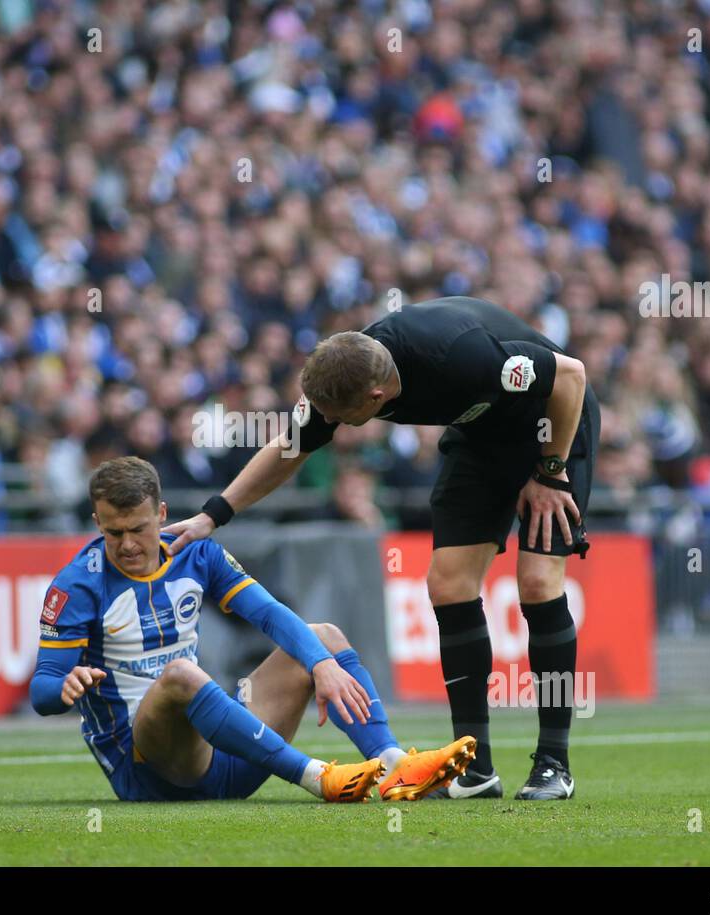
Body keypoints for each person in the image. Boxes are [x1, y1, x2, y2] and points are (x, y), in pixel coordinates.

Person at [165, 296, 600, 800]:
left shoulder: (461, 357)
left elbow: (570, 376)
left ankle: (554, 764)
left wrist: (549, 471)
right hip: (482, 438)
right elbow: (290, 448)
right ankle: (474, 767)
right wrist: (212, 514)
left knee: (538, 584)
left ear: (375, 398)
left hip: (554, 428)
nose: (333, 427)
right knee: (448, 584)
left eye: (340, 419)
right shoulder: (346, 371)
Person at [29, 456, 474, 803]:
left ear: (161, 513)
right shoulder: (76, 584)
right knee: (181, 675)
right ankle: (318, 777)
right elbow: (42, 691)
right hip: (149, 772)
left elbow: (269, 613)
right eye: (114, 532)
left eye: (139, 529)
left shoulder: (195, 554)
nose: (127, 544)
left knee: (324, 636)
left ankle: (393, 763)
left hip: (226, 757)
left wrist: (320, 664)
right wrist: (64, 685)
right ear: (96, 523)